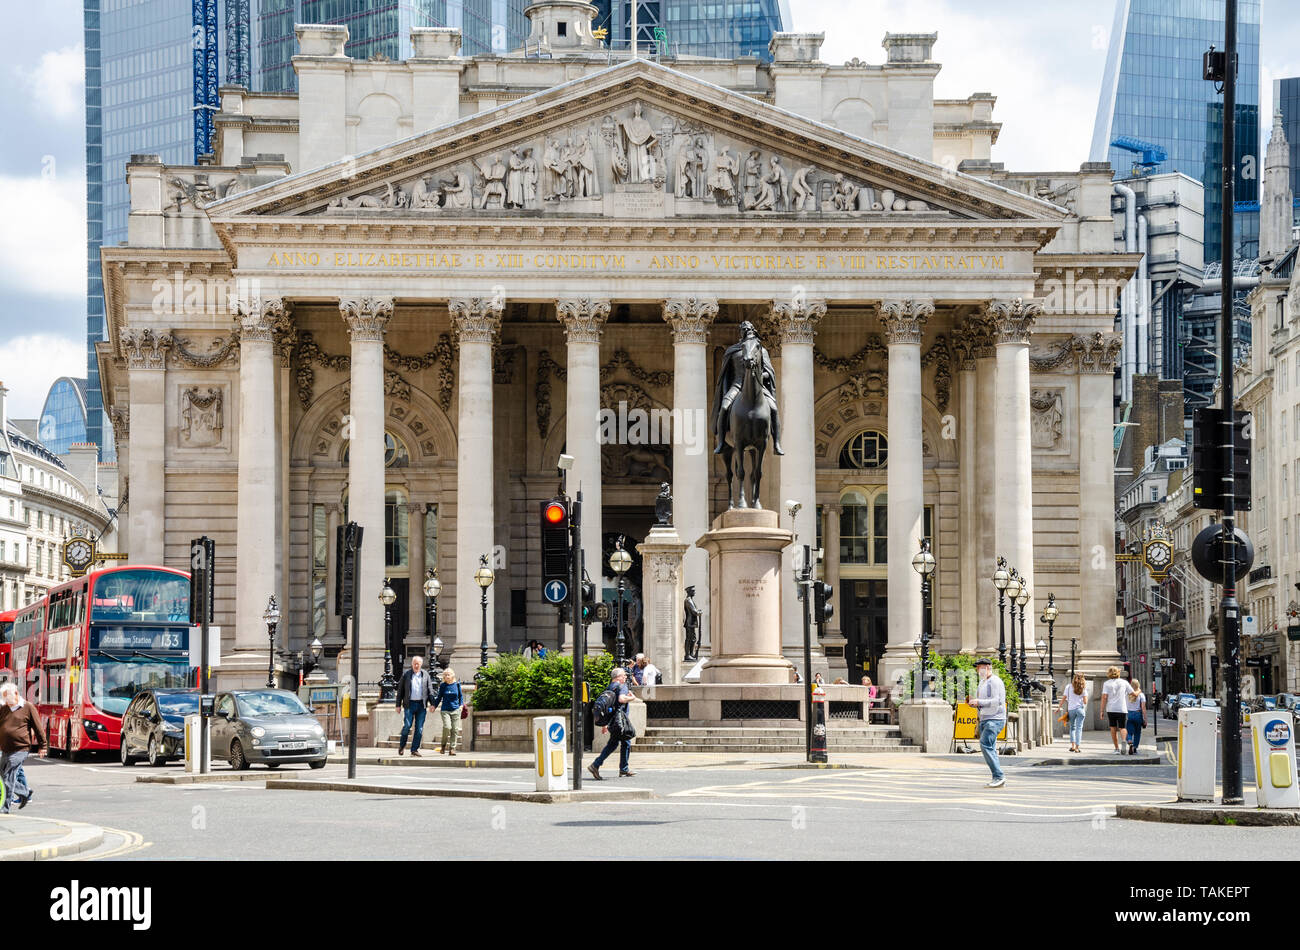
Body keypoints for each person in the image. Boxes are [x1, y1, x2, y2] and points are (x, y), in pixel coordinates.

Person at [0, 681, 46, 813]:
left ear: (16, 694)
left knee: (8, 776)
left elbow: (38, 727)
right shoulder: (4, 708)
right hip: (6, 749)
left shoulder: (28, 707)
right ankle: (24, 792)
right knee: (3, 776)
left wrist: (43, 746)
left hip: (21, 749)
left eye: (7, 699)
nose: (6, 702)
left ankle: (4, 808)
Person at [588, 668, 635, 779]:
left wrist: (605, 724)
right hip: (619, 721)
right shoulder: (621, 686)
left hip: (612, 720)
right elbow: (621, 699)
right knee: (618, 743)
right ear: (618, 677)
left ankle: (623, 769)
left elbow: (608, 705)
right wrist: (632, 697)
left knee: (622, 742)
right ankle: (596, 764)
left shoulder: (610, 687)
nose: (625, 677)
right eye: (624, 675)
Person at [966, 658, 1006, 788]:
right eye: (977, 667)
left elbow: (998, 701)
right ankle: (997, 777)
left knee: (985, 744)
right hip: (985, 718)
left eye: (980, 667)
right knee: (990, 748)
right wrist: (974, 704)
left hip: (995, 719)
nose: (978, 670)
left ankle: (999, 776)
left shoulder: (995, 681)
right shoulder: (983, 682)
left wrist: (979, 702)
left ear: (988, 667)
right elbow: (984, 702)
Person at [395, 655, 435, 756]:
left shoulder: (425, 675)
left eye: (418, 664)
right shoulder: (406, 674)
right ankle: (402, 746)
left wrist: (432, 704)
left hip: (421, 705)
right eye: (415, 663)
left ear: (421, 664)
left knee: (419, 729)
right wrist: (398, 705)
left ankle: (414, 750)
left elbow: (430, 690)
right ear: (412, 664)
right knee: (407, 726)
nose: (416, 665)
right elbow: (400, 691)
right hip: (409, 704)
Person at [432, 668, 465, 755]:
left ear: (452, 675)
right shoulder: (443, 686)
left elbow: (460, 697)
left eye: (448, 674)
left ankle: (452, 749)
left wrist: (461, 705)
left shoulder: (457, 685)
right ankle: (443, 746)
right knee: (447, 727)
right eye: (445, 675)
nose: (447, 676)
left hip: (455, 709)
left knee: (455, 730)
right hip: (445, 710)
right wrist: (434, 706)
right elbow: (439, 697)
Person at [1099, 665, 1130, 754]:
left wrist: (1101, 710)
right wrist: (1138, 691)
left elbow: (1104, 697)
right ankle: (1123, 740)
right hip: (1122, 708)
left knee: (1113, 727)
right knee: (1122, 727)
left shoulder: (1106, 683)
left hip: (1111, 708)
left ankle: (1116, 748)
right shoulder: (1124, 682)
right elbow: (1132, 693)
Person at [1058, 672, 1088, 753]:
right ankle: (1077, 748)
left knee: (1072, 728)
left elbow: (1064, 698)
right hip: (1080, 710)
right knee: (1079, 728)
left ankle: (1073, 746)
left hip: (1071, 710)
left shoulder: (1068, 687)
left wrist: (1059, 707)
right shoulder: (1083, 688)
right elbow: (1085, 702)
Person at [1126, 678, 1147, 754]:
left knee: (1129, 731)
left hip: (1129, 714)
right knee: (1137, 732)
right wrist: (1145, 719)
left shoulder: (1127, 694)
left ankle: (1129, 740)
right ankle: (1135, 747)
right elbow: (1143, 708)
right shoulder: (1141, 695)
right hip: (1138, 714)